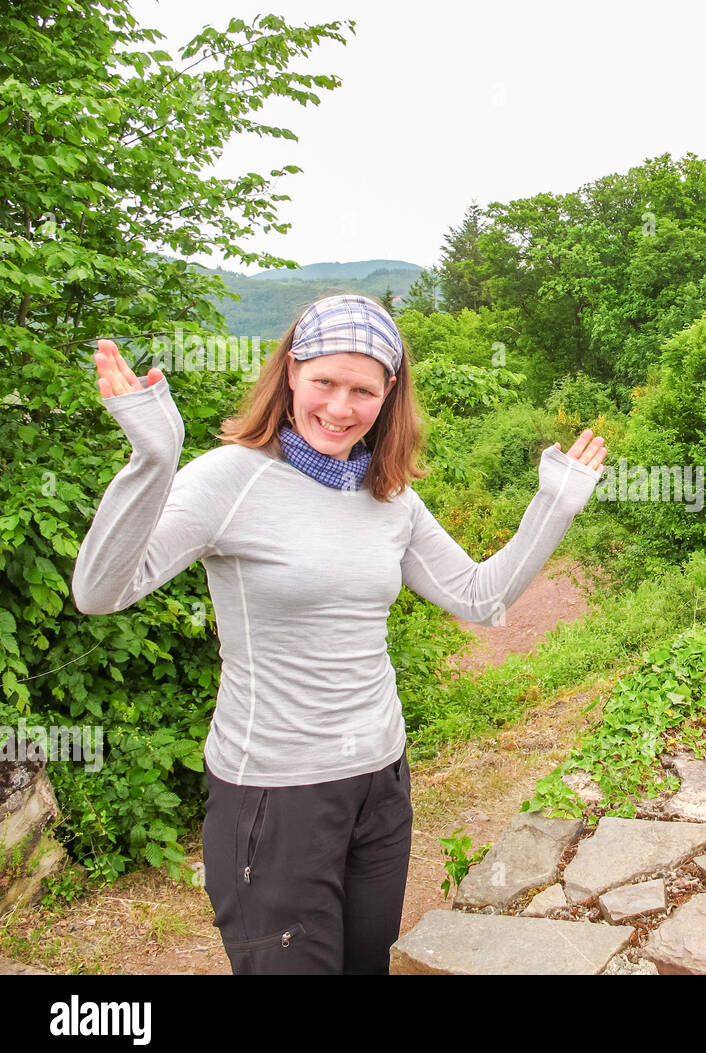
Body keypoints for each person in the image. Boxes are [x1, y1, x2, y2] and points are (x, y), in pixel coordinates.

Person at [71, 293, 606, 974]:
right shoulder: (229, 479)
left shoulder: (388, 496)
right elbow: (100, 590)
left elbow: (481, 597)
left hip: (380, 785)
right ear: (291, 372)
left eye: (363, 389)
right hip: (273, 797)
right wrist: (154, 459)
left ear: (389, 395)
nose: (340, 407)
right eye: (324, 381)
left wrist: (555, 501)